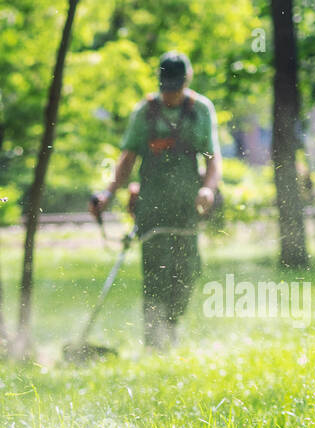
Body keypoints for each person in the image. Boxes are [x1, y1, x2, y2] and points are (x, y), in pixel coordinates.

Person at [90, 51, 222, 350]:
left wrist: (208, 190)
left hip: (187, 203)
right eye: (166, 86)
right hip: (152, 203)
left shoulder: (200, 110)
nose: (170, 93)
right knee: (155, 271)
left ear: (187, 81)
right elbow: (127, 158)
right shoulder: (145, 112)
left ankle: (172, 328)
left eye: (175, 86)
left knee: (187, 270)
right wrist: (109, 194)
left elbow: (213, 158)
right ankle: (154, 340)